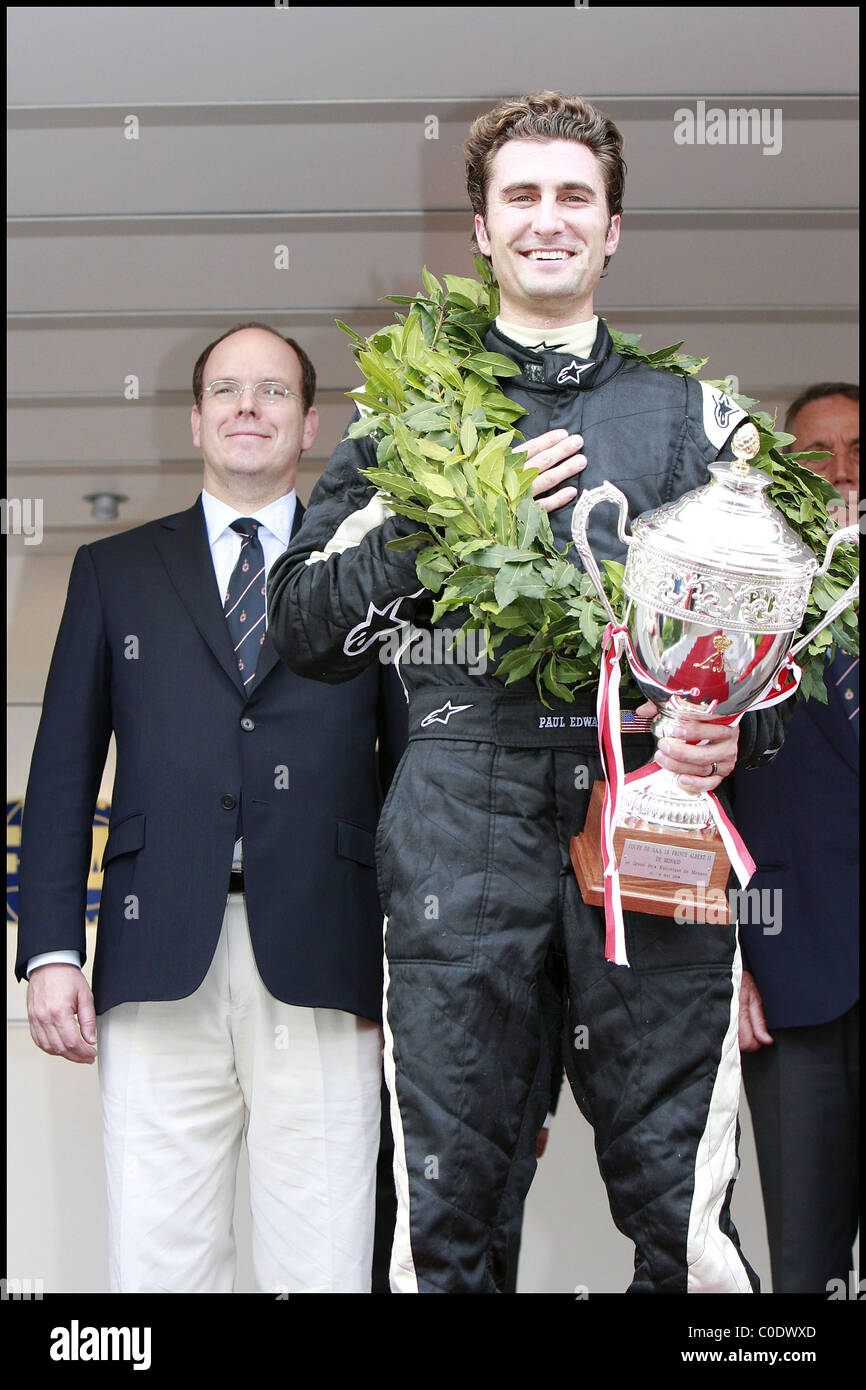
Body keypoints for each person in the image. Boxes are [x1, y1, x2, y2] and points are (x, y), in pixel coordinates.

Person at [267, 92, 790, 1294]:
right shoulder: (409, 419)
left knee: (687, 1223)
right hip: (460, 820)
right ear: (480, 229)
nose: (546, 219)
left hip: (648, 818)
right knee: (445, 1230)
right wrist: (456, 514)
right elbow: (303, 625)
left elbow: (766, 655)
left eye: (573, 198)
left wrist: (724, 728)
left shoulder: (694, 421)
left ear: (612, 231)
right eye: (521, 196)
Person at [15, 322, 408, 1294]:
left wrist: (420, 963)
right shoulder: (114, 571)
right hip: (156, 957)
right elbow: (63, 767)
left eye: (271, 392)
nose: (247, 407)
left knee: (319, 1261)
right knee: (159, 1257)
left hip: (327, 952)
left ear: (309, 421)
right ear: (194, 418)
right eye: (226, 390)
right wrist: (52, 948)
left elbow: (411, 777)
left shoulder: (370, 571)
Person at [732, 383, 859, 1294]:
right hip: (788, 975)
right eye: (819, 455)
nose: (844, 472)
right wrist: (721, 954)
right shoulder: (740, 605)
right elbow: (690, 793)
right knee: (802, 1277)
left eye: (861, 450)